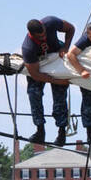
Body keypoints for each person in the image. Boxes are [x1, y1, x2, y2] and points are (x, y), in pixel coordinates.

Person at [21, 15, 75, 146]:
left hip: (57, 55)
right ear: (32, 35)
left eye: (44, 33)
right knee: (34, 93)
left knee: (60, 96)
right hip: (39, 64)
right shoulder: (28, 48)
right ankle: (40, 130)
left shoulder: (50, 22)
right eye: (40, 37)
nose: (44, 37)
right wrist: (56, 81)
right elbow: (35, 74)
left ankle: (61, 132)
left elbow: (71, 28)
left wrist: (66, 47)